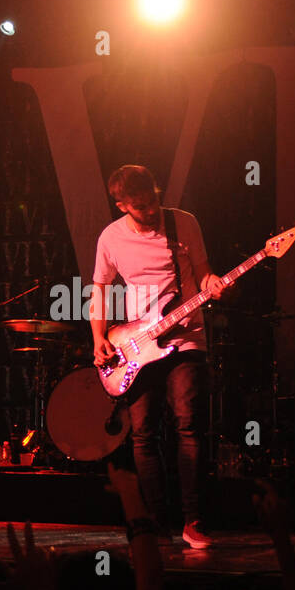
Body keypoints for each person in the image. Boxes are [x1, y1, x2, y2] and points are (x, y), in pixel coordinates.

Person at [90, 165, 226, 549]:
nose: (151, 210)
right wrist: (99, 336)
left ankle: (194, 521)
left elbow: (201, 271)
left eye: (153, 200)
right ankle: (155, 524)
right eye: (140, 206)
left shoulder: (184, 224)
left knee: (189, 424)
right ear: (121, 205)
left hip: (186, 335)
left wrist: (211, 283)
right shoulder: (111, 238)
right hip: (136, 341)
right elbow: (99, 289)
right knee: (144, 432)